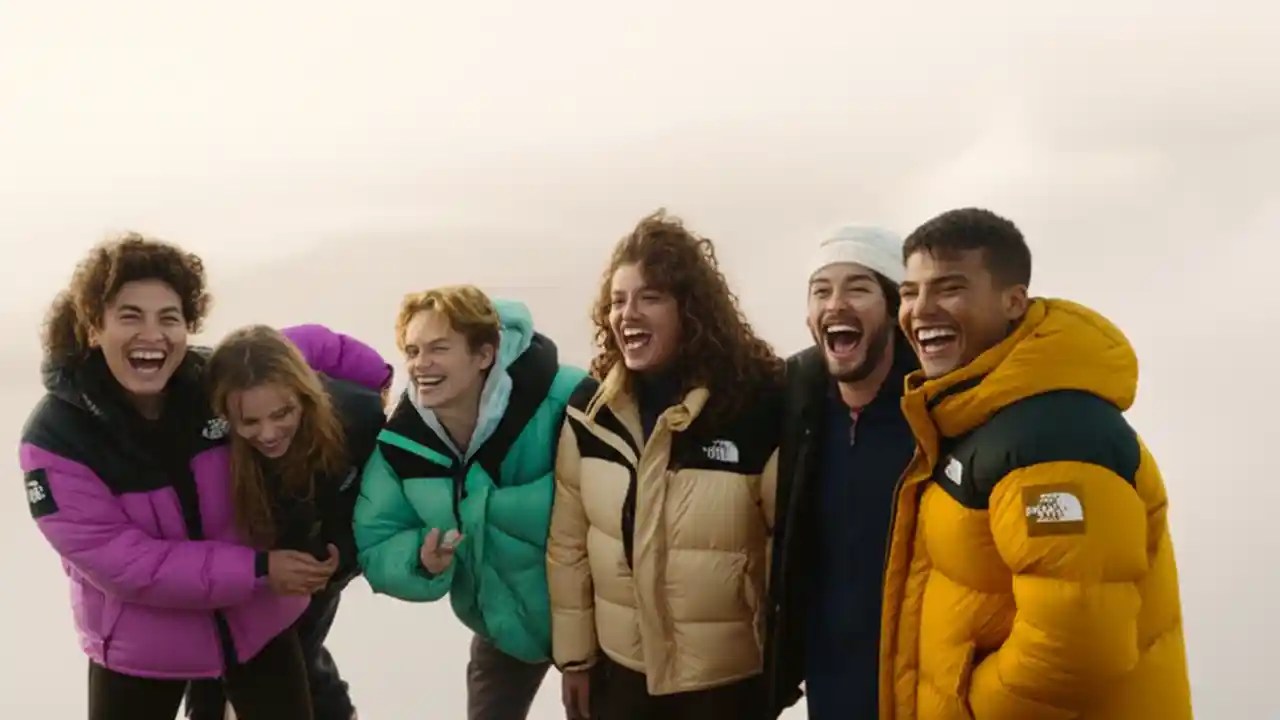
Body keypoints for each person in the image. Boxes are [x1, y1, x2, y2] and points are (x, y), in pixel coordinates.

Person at [880, 208, 1191, 719]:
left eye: (950, 288)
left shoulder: (1053, 438)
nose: (921, 310)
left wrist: (971, 709)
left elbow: (1080, 640)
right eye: (910, 292)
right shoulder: (982, 415)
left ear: (1013, 302)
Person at [18, 234, 324, 720]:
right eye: (130, 316)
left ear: (188, 326)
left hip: (257, 627)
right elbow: (127, 565)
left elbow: (301, 379)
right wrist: (259, 570)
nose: (152, 334)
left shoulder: (214, 384)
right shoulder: (57, 439)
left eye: (169, 317)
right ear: (94, 326)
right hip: (144, 648)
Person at [547, 210, 785, 720]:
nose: (626, 314)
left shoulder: (756, 404)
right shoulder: (591, 411)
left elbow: (785, 544)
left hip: (726, 683)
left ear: (691, 311)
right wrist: (575, 660)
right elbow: (568, 546)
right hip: (620, 677)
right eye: (617, 301)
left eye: (649, 297)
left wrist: (783, 667)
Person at [353, 285, 589, 720]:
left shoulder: (569, 399)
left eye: (439, 348)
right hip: (501, 624)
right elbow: (376, 538)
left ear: (484, 355)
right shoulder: (402, 442)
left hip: (594, 623)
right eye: (412, 350)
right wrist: (421, 562)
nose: (421, 365)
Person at [184, 324, 392, 720]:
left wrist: (339, 559)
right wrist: (254, 568)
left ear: (305, 395)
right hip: (239, 569)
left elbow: (378, 506)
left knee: (302, 658)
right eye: (249, 422)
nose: (268, 433)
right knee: (216, 668)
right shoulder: (211, 443)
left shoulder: (358, 418)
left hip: (319, 566)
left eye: (283, 414)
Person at [763, 225, 917, 719]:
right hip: (829, 675)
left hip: (922, 675)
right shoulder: (796, 398)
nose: (835, 304)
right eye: (821, 290)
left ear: (894, 308)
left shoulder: (935, 406)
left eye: (858, 287)